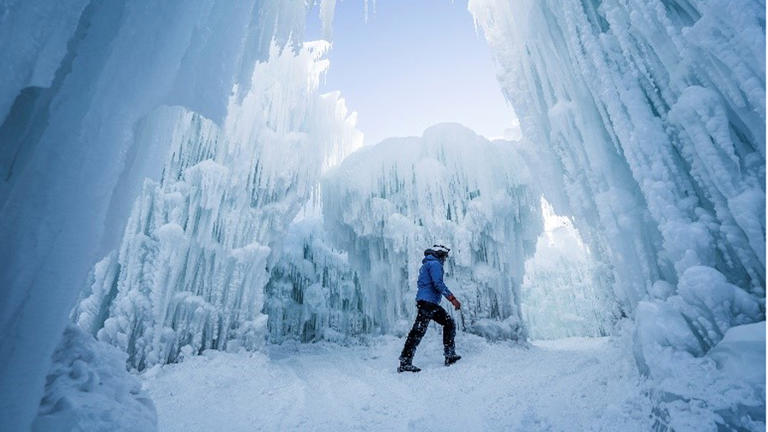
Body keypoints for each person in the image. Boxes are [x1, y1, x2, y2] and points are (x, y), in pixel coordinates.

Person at [398, 244, 462, 373]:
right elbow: (438, 283)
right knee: (419, 331)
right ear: (439, 254)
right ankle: (405, 362)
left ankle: (449, 355)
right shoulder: (435, 264)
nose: (445, 259)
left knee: (444, 324)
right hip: (428, 303)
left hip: (426, 302)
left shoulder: (427, 263)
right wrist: (452, 299)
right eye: (444, 256)